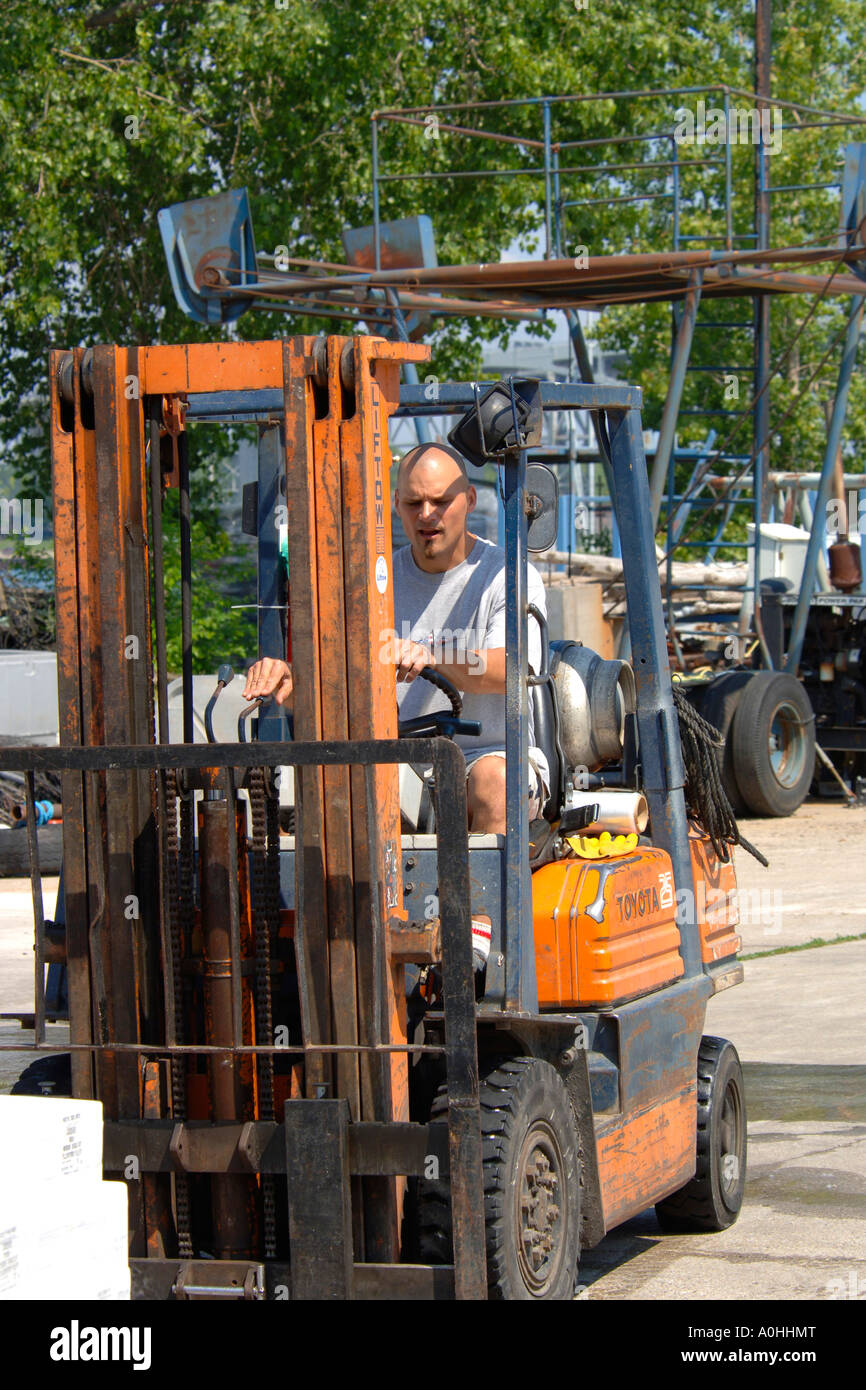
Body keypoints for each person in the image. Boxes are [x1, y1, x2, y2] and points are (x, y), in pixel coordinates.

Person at [243, 441, 549, 971]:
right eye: (413, 503)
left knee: (493, 782)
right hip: (391, 757)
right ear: (397, 508)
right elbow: (337, 677)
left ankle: (482, 946)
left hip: (483, 756)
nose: (427, 515)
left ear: (469, 499)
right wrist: (294, 684)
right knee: (292, 786)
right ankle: (300, 944)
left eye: (440, 501)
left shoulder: (506, 575)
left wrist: (434, 657)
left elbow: (513, 667)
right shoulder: (370, 584)